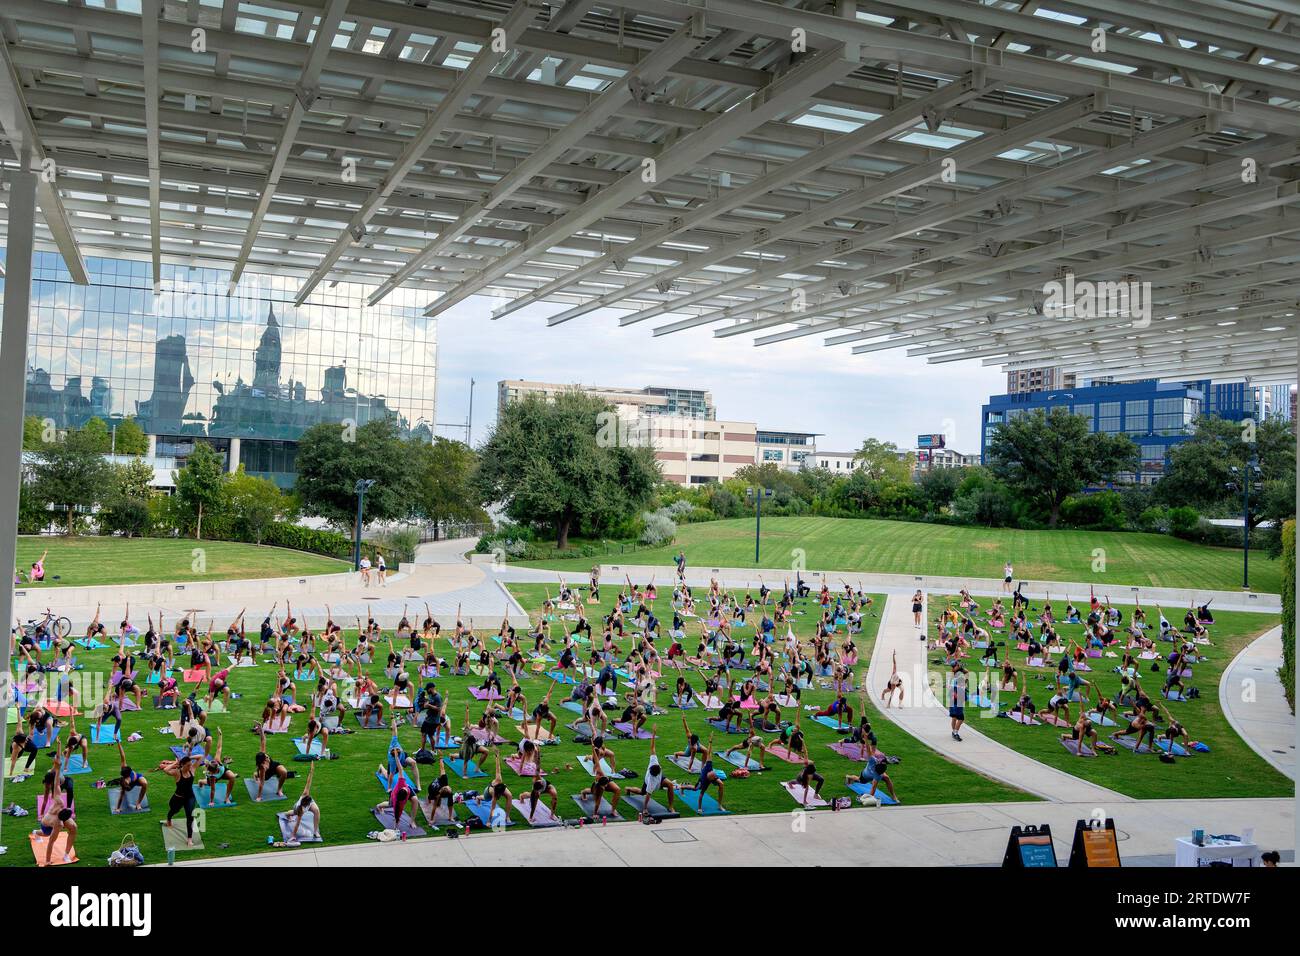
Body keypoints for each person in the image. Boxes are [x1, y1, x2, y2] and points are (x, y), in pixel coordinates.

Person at [37, 752, 76, 865]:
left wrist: (58, 766)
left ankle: (66, 855)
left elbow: (57, 781)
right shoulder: (58, 824)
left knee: (73, 827)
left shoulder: (57, 796)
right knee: (46, 835)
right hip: (46, 824)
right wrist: (48, 861)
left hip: (55, 818)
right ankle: (35, 832)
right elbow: (50, 843)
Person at [157, 754, 199, 848]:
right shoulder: (177, 773)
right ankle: (169, 819)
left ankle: (189, 839)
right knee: (173, 810)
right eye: (187, 765)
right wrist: (176, 762)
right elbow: (166, 770)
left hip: (190, 798)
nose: (190, 766)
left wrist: (189, 758)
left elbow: (200, 757)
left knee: (190, 816)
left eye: (190, 764)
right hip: (178, 798)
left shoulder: (192, 770)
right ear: (182, 765)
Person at [286, 763, 321, 842]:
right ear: (305, 803)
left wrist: (311, 771)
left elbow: (308, 782)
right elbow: (297, 823)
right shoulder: (300, 810)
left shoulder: (306, 794)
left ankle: (315, 831)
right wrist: (293, 835)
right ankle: (287, 815)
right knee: (291, 813)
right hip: (297, 809)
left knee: (317, 810)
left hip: (309, 803)